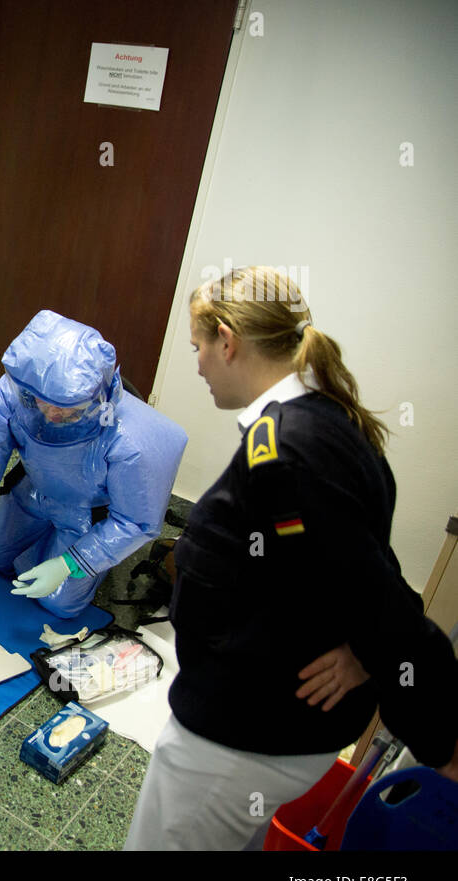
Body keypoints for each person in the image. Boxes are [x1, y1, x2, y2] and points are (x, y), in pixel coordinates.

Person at [124, 266, 458, 850]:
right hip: (267, 727)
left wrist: (440, 739)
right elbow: (350, 565)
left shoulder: (285, 454)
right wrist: (364, 648)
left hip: (241, 738)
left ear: (228, 340)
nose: (198, 362)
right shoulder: (325, 418)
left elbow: (373, 593)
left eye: (199, 346)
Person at [0, 310, 187, 618]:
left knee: (59, 602)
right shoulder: (17, 390)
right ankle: (38, 545)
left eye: (67, 408)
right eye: (41, 401)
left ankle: (70, 557)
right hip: (34, 488)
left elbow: (136, 521)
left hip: (88, 513)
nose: (52, 414)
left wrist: (70, 563)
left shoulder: (132, 440)